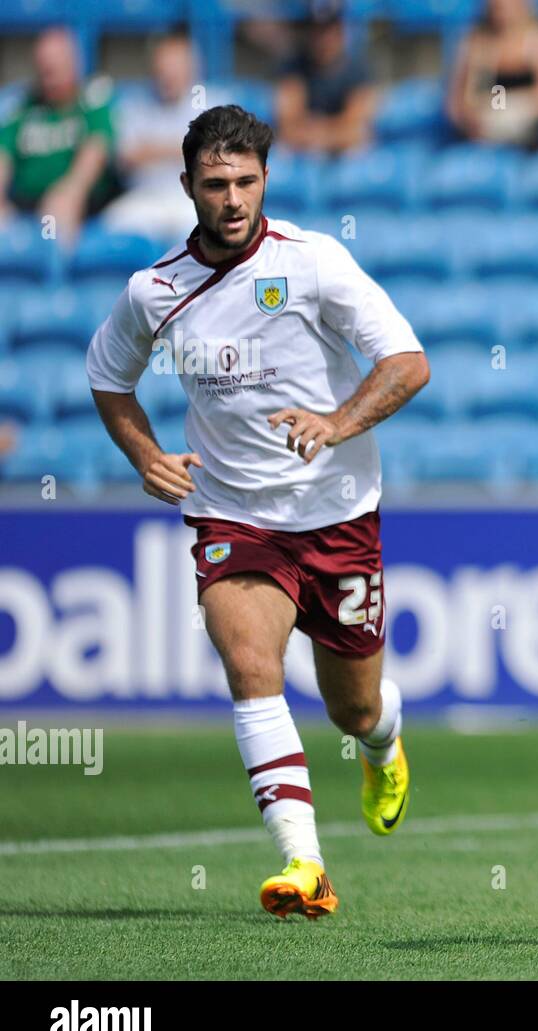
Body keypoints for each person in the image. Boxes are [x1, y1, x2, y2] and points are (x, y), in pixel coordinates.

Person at [86, 105, 429, 919]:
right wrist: (146, 456)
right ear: (187, 188)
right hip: (231, 515)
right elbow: (108, 376)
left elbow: (409, 363)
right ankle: (304, 865)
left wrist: (338, 423)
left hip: (339, 513)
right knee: (250, 666)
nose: (232, 198)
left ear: (265, 180)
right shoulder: (154, 291)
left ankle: (382, 746)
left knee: (355, 707)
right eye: (215, 184)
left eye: (245, 181)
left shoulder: (314, 263)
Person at [0, 26, 115, 242]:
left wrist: (70, 189)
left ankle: (54, 275)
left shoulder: (91, 101)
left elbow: (96, 148)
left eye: (55, 69)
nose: (49, 78)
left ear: (74, 64)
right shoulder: (23, 107)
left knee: (55, 214)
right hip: (24, 202)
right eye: (43, 70)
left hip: (79, 203)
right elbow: (3, 157)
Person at [103, 30, 206, 241]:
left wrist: (151, 149)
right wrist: (183, 148)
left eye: (175, 69)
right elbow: (126, 157)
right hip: (145, 196)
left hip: (190, 198)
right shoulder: (134, 105)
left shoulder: (210, 103)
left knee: (203, 225)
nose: (167, 76)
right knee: (111, 225)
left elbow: (212, 155)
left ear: (191, 69)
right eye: (162, 68)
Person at [445, 0, 538, 153]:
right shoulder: (476, 45)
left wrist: (512, 112)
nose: (503, 6)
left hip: (535, 147)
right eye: (497, 4)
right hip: (483, 145)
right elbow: (460, 105)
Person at [274, 3, 376, 155]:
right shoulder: (293, 68)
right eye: (316, 30)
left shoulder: (358, 69)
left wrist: (318, 133)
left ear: (340, 30)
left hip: (340, 153)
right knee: (281, 152)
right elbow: (288, 128)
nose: (323, 38)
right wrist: (331, 132)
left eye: (329, 29)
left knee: (359, 152)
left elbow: (356, 130)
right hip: (304, 152)